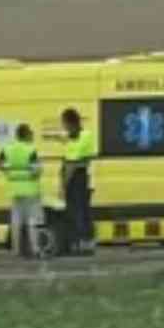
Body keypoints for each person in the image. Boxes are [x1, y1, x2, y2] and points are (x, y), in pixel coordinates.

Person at [1, 123, 44, 257]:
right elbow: (36, 170)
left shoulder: (8, 149)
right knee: (33, 221)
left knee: (16, 221)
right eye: (30, 133)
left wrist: (8, 172)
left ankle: (15, 250)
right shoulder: (30, 150)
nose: (31, 135)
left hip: (15, 190)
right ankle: (35, 249)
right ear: (25, 135)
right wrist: (36, 172)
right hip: (30, 190)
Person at [59, 108, 96, 257]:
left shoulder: (84, 136)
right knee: (78, 212)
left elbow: (72, 163)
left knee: (78, 212)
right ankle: (80, 243)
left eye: (64, 123)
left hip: (78, 178)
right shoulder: (73, 138)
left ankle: (82, 244)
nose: (64, 127)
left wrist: (63, 184)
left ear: (71, 123)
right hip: (75, 177)